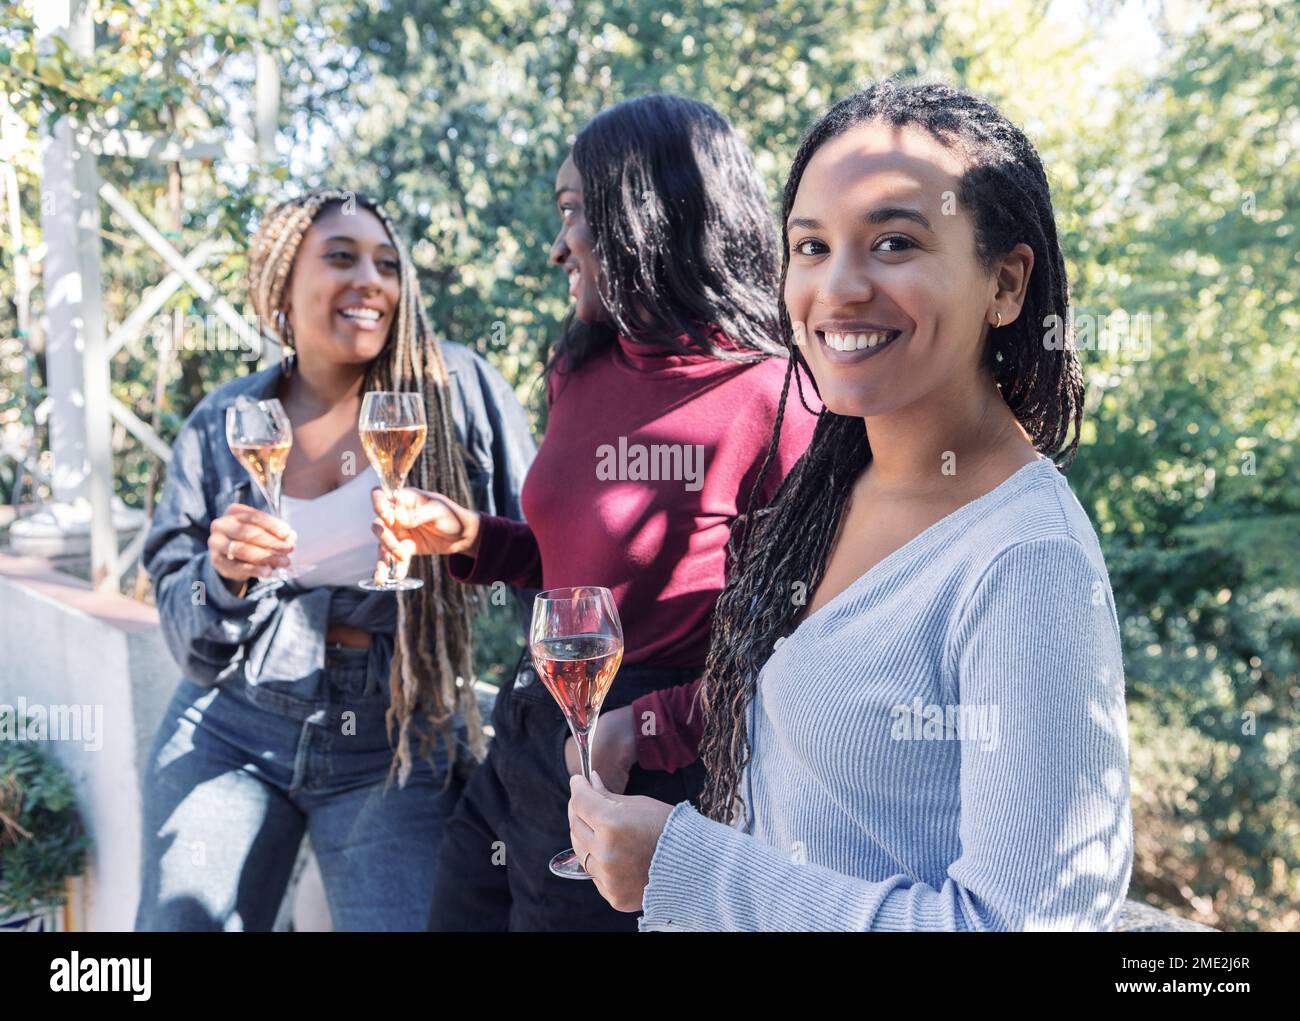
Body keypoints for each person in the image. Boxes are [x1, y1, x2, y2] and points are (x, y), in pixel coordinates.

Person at [567, 79, 1134, 931]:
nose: (839, 287)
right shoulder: (836, 480)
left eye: (894, 242)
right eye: (810, 246)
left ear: (1007, 283)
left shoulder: (1025, 559)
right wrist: (645, 726)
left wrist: (684, 865)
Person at [371, 94, 819, 931]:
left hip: (641, 772)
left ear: (641, 217)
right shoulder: (578, 366)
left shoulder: (776, 399)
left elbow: (803, 653)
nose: (556, 246)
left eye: (575, 213)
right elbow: (583, 568)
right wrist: (468, 538)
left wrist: (640, 730)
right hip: (528, 734)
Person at [135, 188, 535, 931]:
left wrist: (552, 729)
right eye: (342, 257)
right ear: (281, 283)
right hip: (230, 725)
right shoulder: (223, 424)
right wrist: (223, 577)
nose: (373, 281)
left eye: (388, 263)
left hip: (395, 737)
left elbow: (546, 553)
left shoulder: (454, 393)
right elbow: (188, 641)